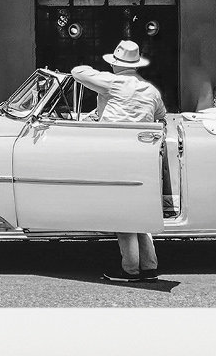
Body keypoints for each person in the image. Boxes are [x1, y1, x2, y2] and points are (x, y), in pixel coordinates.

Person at [71, 40, 167, 280]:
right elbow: (160, 117)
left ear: (115, 64)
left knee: (122, 214)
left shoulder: (113, 82)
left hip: (115, 152)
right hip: (144, 154)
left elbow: (77, 72)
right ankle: (150, 266)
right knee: (140, 215)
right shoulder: (151, 90)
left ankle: (130, 270)